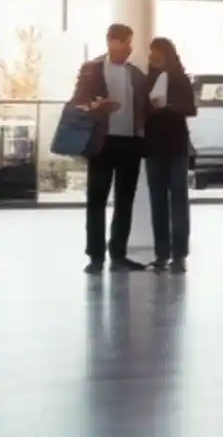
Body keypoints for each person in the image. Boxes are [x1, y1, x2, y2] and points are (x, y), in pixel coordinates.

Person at [71, 23, 149, 274]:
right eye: (127, 42)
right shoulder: (91, 69)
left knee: (125, 201)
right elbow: (77, 102)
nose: (130, 48)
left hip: (130, 142)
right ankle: (95, 257)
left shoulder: (135, 73)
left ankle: (119, 255)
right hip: (102, 142)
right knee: (97, 200)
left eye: (130, 43)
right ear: (112, 42)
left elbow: (145, 106)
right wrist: (94, 107)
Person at [145, 37, 197, 274]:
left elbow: (191, 108)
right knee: (157, 201)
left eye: (156, 52)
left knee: (177, 200)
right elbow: (141, 107)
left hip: (175, 145)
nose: (152, 56)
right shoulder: (148, 78)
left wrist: (170, 106)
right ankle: (161, 253)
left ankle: (179, 254)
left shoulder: (180, 79)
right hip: (154, 146)